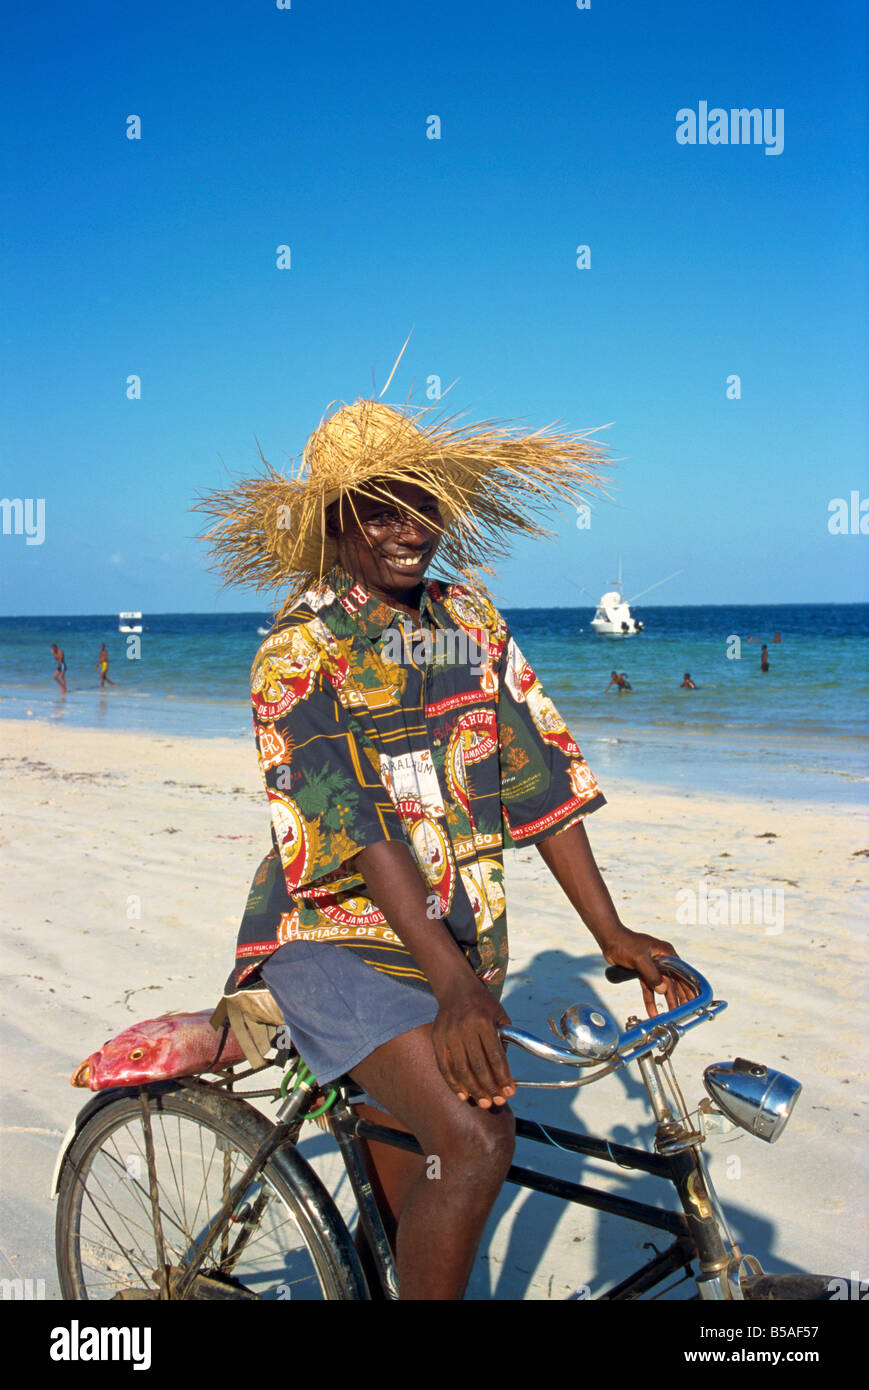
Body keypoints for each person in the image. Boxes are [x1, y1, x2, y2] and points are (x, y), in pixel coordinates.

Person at [197, 397, 690, 1300]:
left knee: (411, 1198)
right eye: (379, 509)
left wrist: (611, 934)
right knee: (475, 1143)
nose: (408, 528)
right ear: (335, 524)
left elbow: (539, 777)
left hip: (455, 947)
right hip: (333, 942)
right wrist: (457, 987)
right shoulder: (298, 652)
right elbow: (361, 828)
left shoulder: (466, 614)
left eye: (421, 504)